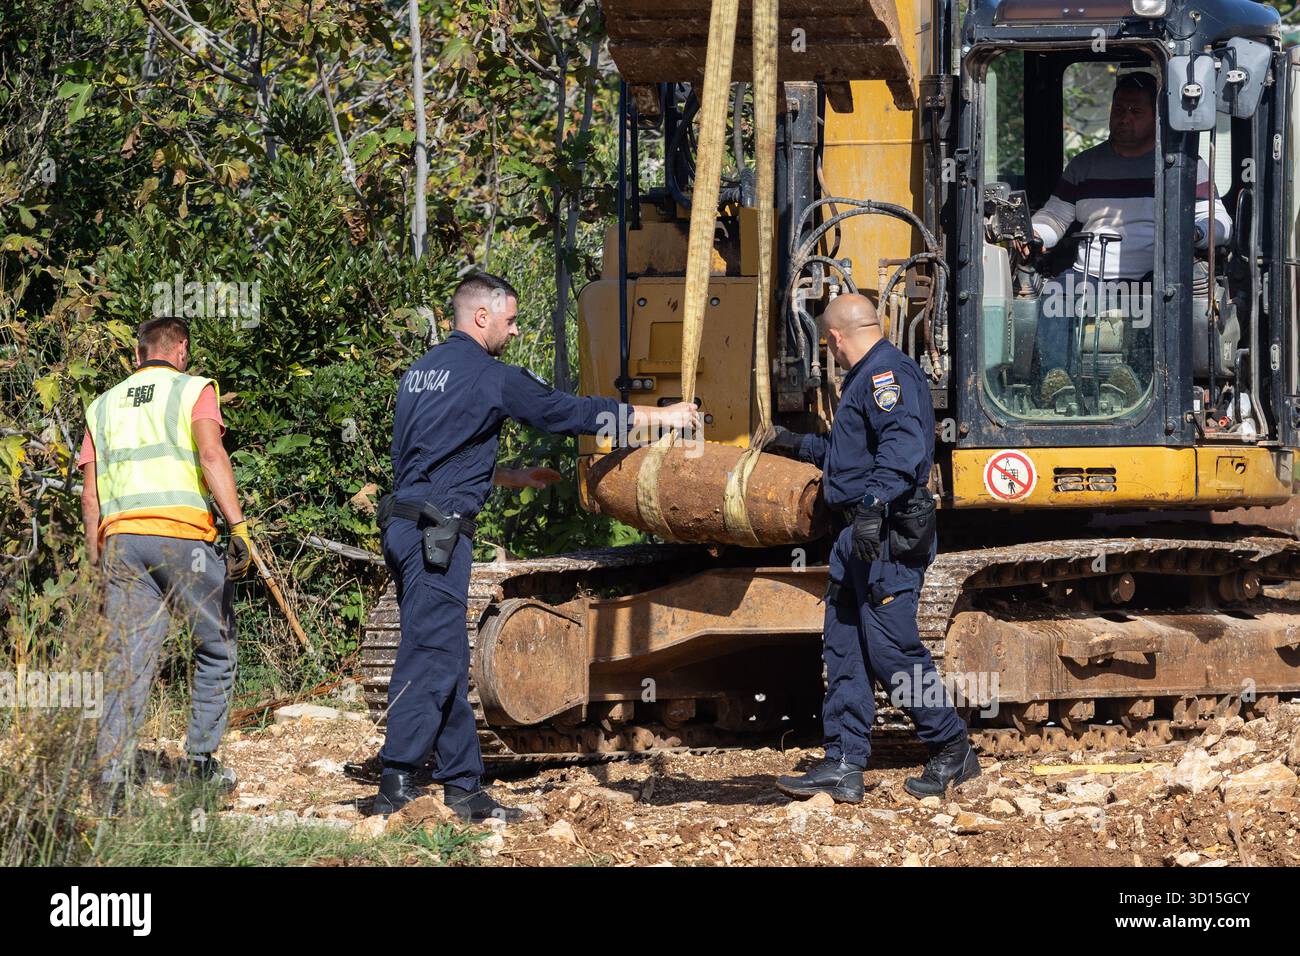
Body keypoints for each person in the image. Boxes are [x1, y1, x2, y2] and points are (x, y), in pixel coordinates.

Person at [375, 272, 699, 822]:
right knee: (430, 654)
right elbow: (565, 413)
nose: (516, 330)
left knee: (449, 655)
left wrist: (507, 476)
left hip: (406, 523)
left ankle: (463, 786)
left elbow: (431, 457)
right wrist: (659, 418)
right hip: (438, 533)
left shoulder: (421, 373)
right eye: (510, 320)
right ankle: (397, 780)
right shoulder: (490, 375)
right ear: (482, 316)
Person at [767, 293, 978, 802]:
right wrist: (795, 444)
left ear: (836, 338)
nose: (829, 353)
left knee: (890, 650)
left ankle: (952, 748)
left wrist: (872, 507)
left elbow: (904, 451)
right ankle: (843, 762)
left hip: (882, 536)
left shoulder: (888, 376)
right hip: (855, 538)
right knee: (845, 649)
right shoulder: (863, 380)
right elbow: (851, 460)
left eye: (827, 344)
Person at [80, 317, 250, 804]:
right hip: (183, 541)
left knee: (128, 662)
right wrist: (237, 526)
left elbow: (90, 498)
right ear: (181, 350)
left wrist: (98, 565)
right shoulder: (192, 389)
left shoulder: (103, 405)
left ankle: (111, 784)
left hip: (123, 544)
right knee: (216, 646)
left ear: (138, 356)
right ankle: (199, 767)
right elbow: (211, 455)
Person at [1021, 72, 1231, 403]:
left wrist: (1197, 233)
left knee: (1163, 299)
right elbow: (1055, 217)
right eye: (1119, 109)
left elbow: (1218, 221)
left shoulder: (1184, 166)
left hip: (1153, 275)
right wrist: (1034, 234)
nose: (1124, 118)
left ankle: (1133, 383)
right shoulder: (1084, 165)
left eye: (1135, 112)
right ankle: (1056, 384)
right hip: (1087, 274)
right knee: (1054, 295)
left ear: (1157, 116)